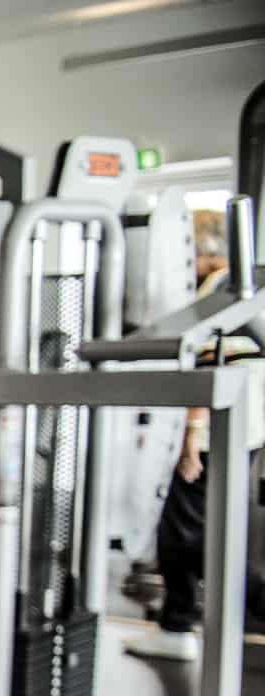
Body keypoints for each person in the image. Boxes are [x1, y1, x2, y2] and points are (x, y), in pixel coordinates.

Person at [125, 212, 263, 661]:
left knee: (182, 532)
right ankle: (177, 623)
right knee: (204, 525)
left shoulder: (220, 289)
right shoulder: (248, 287)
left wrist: (191, 439)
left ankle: (180, 624)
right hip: (248, 424)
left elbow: (213, 361)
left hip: (221, 423)